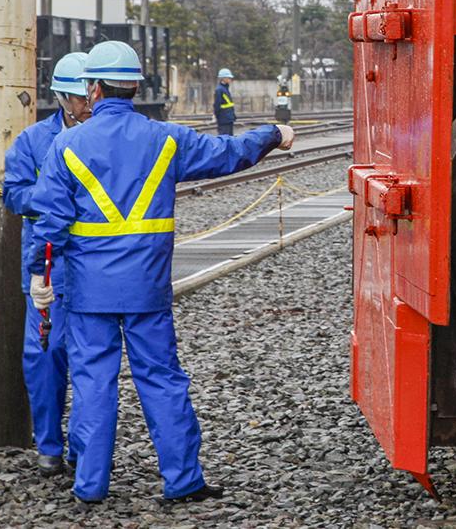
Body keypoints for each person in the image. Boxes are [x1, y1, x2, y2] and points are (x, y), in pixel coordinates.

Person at [25, 41, 296, 505]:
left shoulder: (66, 144)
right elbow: (230, 153)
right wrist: (273, 132)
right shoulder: (167, 138)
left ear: (92, 88)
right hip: (148, 287)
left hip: (90, 291)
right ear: (134, 86)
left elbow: (47, 222)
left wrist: (39, 275)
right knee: (162, 379)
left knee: (93, 383)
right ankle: (183, 479)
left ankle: (90, 485)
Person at [2, 51, 92, 476]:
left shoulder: (104, 136)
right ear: (60, 96)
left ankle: (83, 447)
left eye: (90, 94)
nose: (86, 104)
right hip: (47, 267)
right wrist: (53, 197)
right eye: (77, 97)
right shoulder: (34, 141)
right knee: (45, 355)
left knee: (91, 358)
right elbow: (13, 194)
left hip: (93, 265)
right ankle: (50, 445)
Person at [213, 69, 236, 136]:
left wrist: (233, 115)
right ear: (223, 78)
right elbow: (217, 105)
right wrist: (216, 115)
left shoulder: (225, 89)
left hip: (228, 118)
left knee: (230, 138)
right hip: (223, 119)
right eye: (228, 78)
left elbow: (229, 104)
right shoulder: (219, 90)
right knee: (224, 138)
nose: (230, 79)